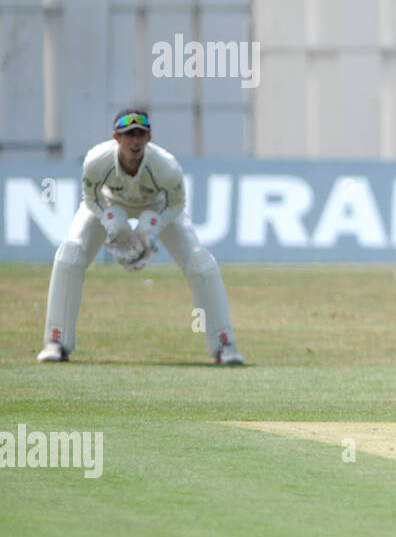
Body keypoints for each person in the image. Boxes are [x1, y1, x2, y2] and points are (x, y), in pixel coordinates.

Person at [38, 108, 245, 365]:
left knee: (201, 262)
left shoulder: (166, 166)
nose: (134, 142)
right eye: (128, 135)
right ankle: (56, 342)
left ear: (149, 138)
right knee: (70, 255)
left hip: (158, 207)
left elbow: (177, 205)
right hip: (108, 203)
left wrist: (151, 229)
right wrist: (111, 222)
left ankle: (224, 345)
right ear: (116, 137)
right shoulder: (95, 161)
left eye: (140, 135)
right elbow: (90, 198)